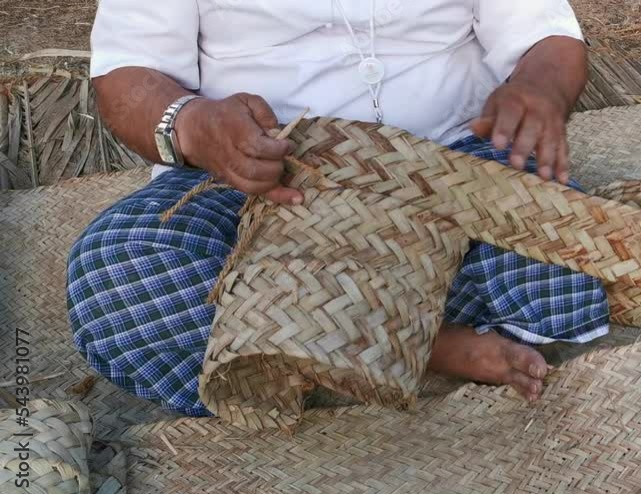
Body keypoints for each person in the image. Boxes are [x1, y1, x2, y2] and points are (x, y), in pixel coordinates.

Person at [67, 0, 609, 417]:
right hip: (254, 183)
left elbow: (545, 36)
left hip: (448, 165)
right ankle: (431, 346)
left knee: (557, 252)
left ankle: (307, 347)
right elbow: (128, 77)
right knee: (119, 281)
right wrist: (193, 125)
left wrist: (539, 90)